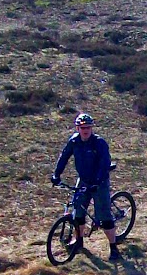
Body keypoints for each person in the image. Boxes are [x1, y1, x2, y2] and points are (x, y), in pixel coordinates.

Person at [50, 112, 120, 261]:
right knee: (78, 212)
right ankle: (79, 241)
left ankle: (114, 248)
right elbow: (64, 157)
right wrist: (56, 174)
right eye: (82, 127)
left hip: (99, 182)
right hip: (83, 180)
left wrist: (97, 182)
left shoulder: (99, 143)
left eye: (88, 127)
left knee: (104, 216)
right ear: (77, 128)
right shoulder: (74, 141)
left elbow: (104, 164)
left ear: (92, 128)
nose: (85, 130)